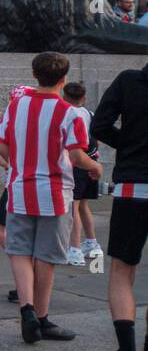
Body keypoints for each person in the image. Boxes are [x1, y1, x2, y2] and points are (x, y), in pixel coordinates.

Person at [0, 52, 102, 344]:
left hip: (19, 190)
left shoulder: (16, 105)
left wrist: (20, 162)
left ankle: (26, 309)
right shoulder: (69, 112)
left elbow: (2, 147)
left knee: (19, 251)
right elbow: (77, 155)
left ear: (34, 75)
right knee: (46, 256)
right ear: (64, 79)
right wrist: (95, 167)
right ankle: (42, 317)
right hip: (54, 194)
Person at [90, 59, 148, 351]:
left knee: (122, 271)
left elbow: (99, 126)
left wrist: (127, 144)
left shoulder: (129, 81)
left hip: (133, 187)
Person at [63, 82, 103, 266]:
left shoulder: (67, 114)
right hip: (91, 162)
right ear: (84, 98)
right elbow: (96, 139)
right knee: (83, 206)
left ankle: (75, 249)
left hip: (77, 165)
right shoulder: (89, 114)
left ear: (64, 96)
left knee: (73, 208)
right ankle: (92, 243)